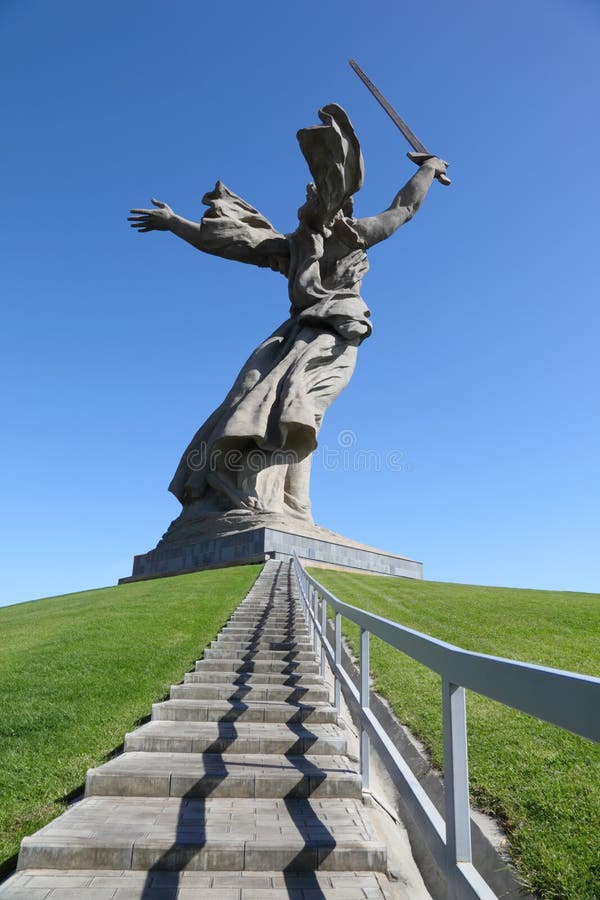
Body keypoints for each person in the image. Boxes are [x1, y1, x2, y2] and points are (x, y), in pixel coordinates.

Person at [129, 104, 447, 544]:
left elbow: (405, 207)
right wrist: (174, 223)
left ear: (334, 201)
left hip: (334, 335)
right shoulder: (294, 243)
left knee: (294, 406)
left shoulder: (356, 234)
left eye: (313, 194)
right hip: (295, 332)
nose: (305, 199)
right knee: (248, 395)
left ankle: (285, 505)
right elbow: (233, 243)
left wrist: (429, 169)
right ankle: (260, 501)